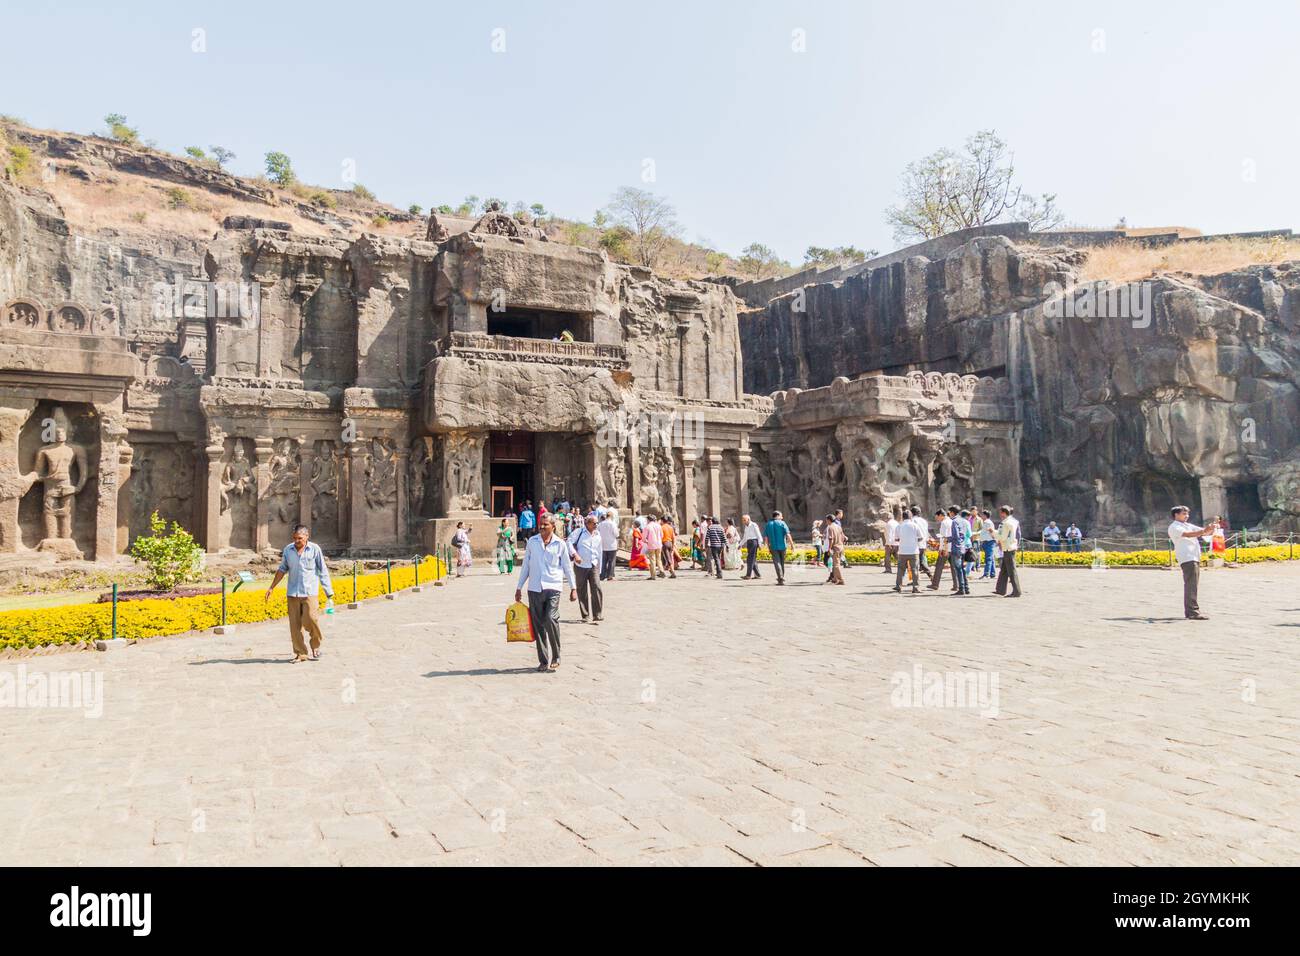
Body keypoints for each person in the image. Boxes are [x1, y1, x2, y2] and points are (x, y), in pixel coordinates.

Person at [515, 514, 578, 672]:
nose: (542, 527)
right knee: (539, 625)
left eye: (545, 525)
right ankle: (543, 660)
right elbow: (526, 566)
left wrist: (573, 587)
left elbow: (567, 567)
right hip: (535, 587)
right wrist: (519, 587)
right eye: (540, 524)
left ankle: (556, 655)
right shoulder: (532, 542)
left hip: (553, 586)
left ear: (553, 526)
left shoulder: (560, 544)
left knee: (551, 618)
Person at [265, 524, 335, 663]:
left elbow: (322, 570)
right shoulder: (288, 550)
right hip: (293, 593)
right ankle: (300, 653)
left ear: (307, 537)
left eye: (300, 538)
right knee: (295, 625)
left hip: (309, 592)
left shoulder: (314, 550)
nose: (297, 541)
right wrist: (271, 587)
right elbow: (282, 569)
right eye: (295, 538)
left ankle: (316, 645)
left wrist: (329, 592)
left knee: (311, 619)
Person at [1168, 506, 1214, 620]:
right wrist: (1204, 530)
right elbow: (1190, 534)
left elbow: (1203, 532)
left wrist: (1212, 528)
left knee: (1193, 584)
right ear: (1176, 515)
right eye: (1184, 513)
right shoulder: (1174, 527)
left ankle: (1192, 610)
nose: (1187, 516)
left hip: (1194, 556)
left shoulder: (1188, 525)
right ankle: (1192, 611)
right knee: (1191, 585)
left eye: (1187, 514)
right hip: (1187, 557)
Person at [568, 513, 604, 623]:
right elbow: (568, 542)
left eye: (597, 523)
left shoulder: (598, 535)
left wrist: (600, 568)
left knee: (597, 588)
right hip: (581, 566)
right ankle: (585, 615)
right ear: (587, 523)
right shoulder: (579, 532)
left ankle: (597, 614)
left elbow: (599, 552)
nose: (596, 525)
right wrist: (575, 554)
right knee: (582, 590)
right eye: (594, 523)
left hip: (593, 565)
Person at [892, 510, 923, 594]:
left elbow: (896, 539)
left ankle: (898, 586)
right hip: (913, 551)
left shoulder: (899, 526)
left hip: (902, 551)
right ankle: (915, 587)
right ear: (910, 516)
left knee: (901, 570)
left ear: (903, 517)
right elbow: (921, 538)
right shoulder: (915, 525)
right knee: (915, 569)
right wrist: (914, 539)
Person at [994, 506, 1022, 597]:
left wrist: (992, 532)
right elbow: (1018, 535)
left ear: (1004, 513)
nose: (1000, 514)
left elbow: (1002, 537)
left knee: (1011, 570)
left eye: (1001, 512)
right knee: (1004, 570)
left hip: (1007, 547)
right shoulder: (1015, 521)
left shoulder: (1005, 523)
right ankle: (1000, 589)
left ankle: (1017, 591)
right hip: (1012, 546)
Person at [763, 510, 794, 585]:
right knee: (782, 562)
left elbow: (766, 537)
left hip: (773, 546)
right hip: (782, 546)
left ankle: (780, 577)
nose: (782, 517)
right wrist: (792, 545)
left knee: (777, 562)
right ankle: (781, 577)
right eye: (781, 516)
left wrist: (767, 546)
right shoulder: (782, 523)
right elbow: (788, 534)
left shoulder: (768, 524)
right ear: (777, 516)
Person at [927, 509, 954, 591]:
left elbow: (944, 537)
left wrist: (942, 548)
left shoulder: (944, 523)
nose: (937, 519)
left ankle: (935, 584)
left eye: (937, 517)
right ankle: (956, 585)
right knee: (954, 567)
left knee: (939, 566)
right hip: (952, 547)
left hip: (945, 548)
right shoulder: (951, 521)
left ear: (941, 515)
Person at [823, 513, 846, 585]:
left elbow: (831, 539)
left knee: (836, 565)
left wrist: (829, 548)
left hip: (835, 547)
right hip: (840, 547)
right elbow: (843, 537)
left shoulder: (830, 527)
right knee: (835, 564)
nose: (826, 521)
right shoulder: (838, 527)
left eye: (826, 520)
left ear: (829, 520)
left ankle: (841, 580)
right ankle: (836, 579)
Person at [597, 509, 620, 581]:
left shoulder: (600, 524)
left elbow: (597, 533)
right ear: (612, 516)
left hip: (603, 545)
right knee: (611, 561)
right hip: (612, 545)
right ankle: (610, 576)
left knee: (603, 561)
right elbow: (616, 534)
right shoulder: (613, 524)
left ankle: (602, 575)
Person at [739, 513, 762, 579]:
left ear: (748, 519)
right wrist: (740, 544)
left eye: (744, 520)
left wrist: (760, 544)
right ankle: (758, 575)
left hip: (754, 542)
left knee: (750, 559)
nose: (743, 521)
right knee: (752, 559)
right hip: (749, 543)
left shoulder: (754, 525)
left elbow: (759, 535)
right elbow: (745, 537)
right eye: (743, 520)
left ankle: (748, 575)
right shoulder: (746, 527)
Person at [643, 514, 664, 580]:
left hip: (651, 545)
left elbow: (643, 538)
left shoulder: (647, 527)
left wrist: (647, 541)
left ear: (648, 520)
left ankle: (653, 575)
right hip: (659, 545)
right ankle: (661, 571)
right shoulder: (659, 526)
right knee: (659, 559)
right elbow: (662, 535)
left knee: (652, 560)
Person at [978, 510, 997, 578]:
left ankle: (986, 574)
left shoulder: (987, 522)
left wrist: (994, 539)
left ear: (985, 515)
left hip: (989, 542)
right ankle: (992, 573)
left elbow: (991, 532)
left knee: (988, 558)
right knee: (991, 558)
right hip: (988, 542)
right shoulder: (987, 522)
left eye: (982, 515)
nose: (981, 516)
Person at [883, 508, 900, 575]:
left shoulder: (889, 524)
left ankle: (888, 569)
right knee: (897, 556)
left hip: (890, 543)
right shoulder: (897, 523)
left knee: (887, 556)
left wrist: (889, 543)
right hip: (897, 543)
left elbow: (889, 534)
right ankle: (902, 567)